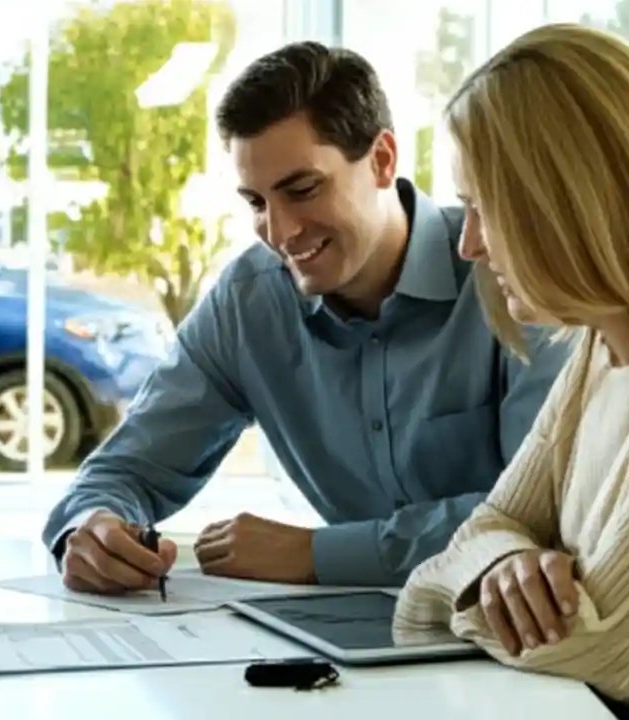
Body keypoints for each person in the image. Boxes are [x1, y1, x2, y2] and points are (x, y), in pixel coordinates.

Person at [43, 40, 570, 594]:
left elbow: (536, 513)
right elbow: (123, 472)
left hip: (510, 640)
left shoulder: (512, 274)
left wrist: (315, 554)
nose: (280, 231)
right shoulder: (248, 304)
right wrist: (90, 528)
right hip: (351, 642)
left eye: (302, 189)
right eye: (256, 202)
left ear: (383, 160)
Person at [392, 24, 629, 717]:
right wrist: (499, 567)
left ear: (571, 204)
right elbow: (479, 533)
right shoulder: (597, 350)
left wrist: (465, 588)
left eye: (487, 207)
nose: (468, 244)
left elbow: (615, 656)